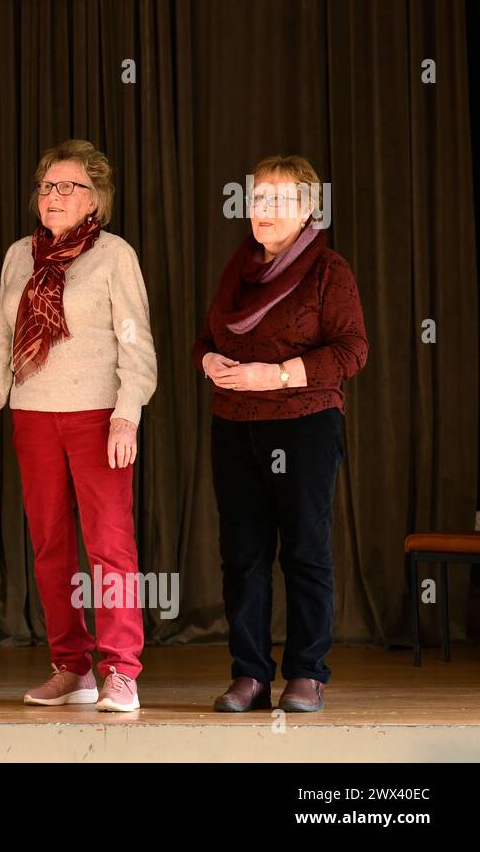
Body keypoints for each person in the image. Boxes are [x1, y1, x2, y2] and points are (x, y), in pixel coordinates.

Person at [0, 140, 157, 712]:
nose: (52, 196)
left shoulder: (114, 256)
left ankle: (120, 670)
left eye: (67, 186)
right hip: (32, 415)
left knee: (110, 547)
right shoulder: (17, 257)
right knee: (51, 548)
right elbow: (1, 342)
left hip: (99, 417)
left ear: (94, 199)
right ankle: (70, 666)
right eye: (46, 186)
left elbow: (136, 344)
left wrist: (128, 414)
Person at [193, 155, 367, 714]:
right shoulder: (236, 268)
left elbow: (352, 351)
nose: (262, 210)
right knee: (242, 555)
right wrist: (208, 364)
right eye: (257, 198)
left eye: (278, 199)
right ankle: (250, 675)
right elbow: (206, 338)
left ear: (309, 209)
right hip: (235, 425)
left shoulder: (328, 271)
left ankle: (307, 675)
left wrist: (277, 375)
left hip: (305, 425)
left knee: (304, 551)